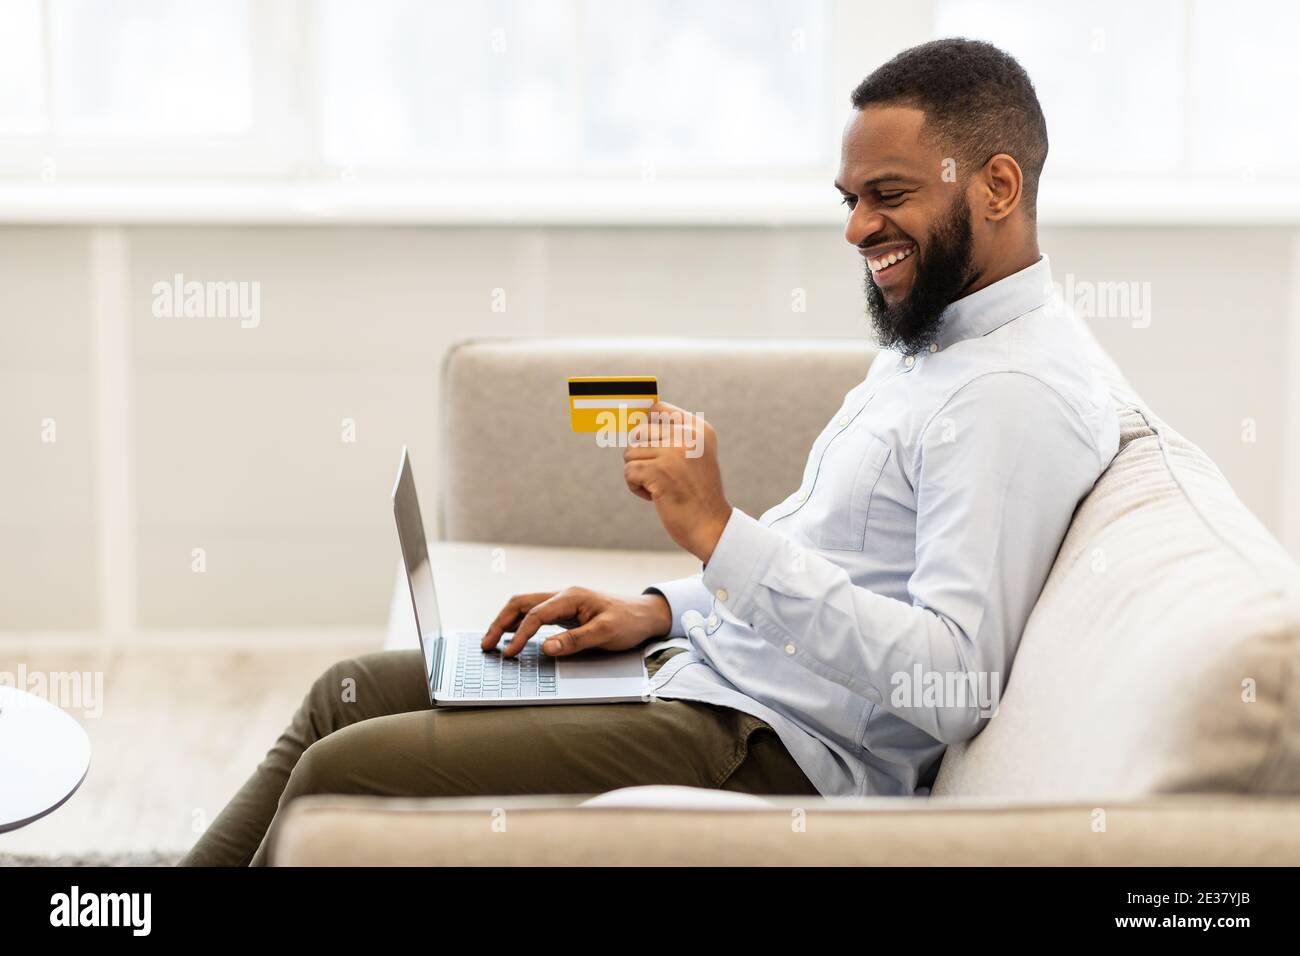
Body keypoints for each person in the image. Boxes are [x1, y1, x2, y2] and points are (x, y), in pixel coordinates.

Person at [183, 37, 1119, 866]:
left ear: (998, 186)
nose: (856, 227)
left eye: (889, 195)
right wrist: (660, 608)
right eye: (850, 199)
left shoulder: (1007, 396)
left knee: (342, 772)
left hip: (771, 750)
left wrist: (716, 531)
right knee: (346, 696)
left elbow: (955, 681)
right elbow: (841, 557)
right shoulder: (939, 340)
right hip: (707, 678)